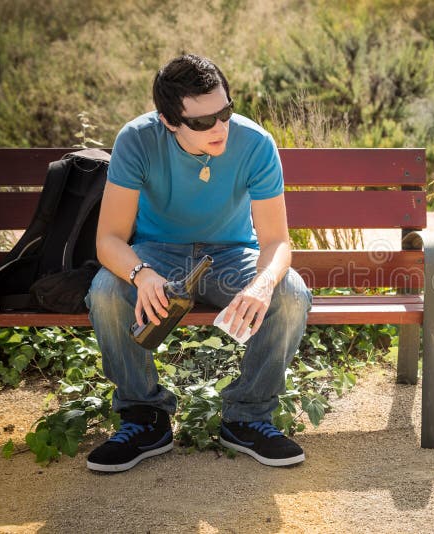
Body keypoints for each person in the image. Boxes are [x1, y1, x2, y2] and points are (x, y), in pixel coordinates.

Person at [84, 54, 312, 473]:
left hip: (230, 255)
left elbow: (277, 241)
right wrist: (142, 275)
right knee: (106, 291)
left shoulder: (255, 143)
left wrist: (262, 284)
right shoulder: (136, 139)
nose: (220, 128)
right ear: (169, 121)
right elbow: (109, 239)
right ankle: (144, 418)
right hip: (156, 254)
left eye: (225, 112)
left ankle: (247, 418)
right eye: (203, 122)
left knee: (291, 292)